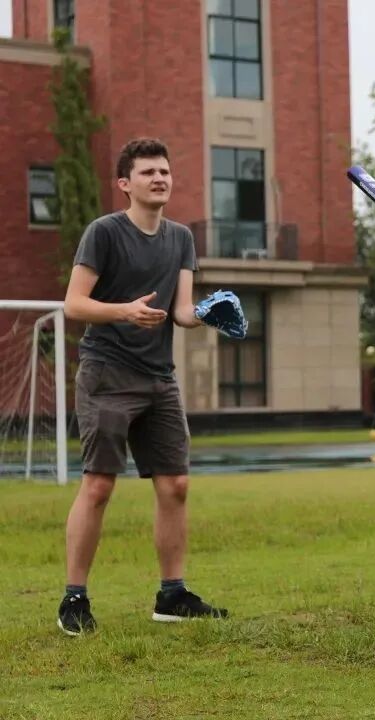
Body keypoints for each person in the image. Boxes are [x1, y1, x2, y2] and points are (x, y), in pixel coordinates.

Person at [57, 138, 227, 636]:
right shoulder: (104, 233)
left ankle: (172, 595)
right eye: (149, 172)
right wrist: (124, 310)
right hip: (107, 371)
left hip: (158, 377)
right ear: (125, 183)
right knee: (99, 484)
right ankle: (74, 598)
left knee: (175, 484)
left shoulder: (181, 239)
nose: (160, 178)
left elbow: (179, 312)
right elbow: (73, 304)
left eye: (166, 172)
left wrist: (206, 314)